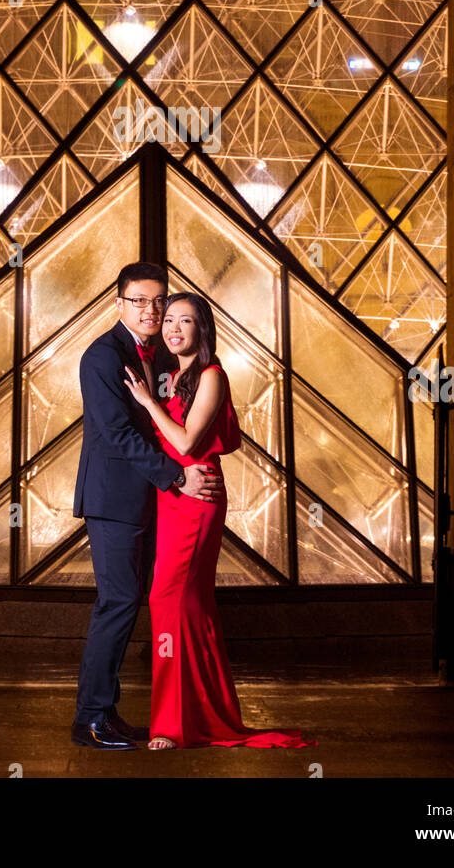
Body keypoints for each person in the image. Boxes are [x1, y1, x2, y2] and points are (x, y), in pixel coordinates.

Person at [124, 291, 316, 750]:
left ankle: (172, 724)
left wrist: (149, 403)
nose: (172, 328)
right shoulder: (174, 376)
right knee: (190, 606)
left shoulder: (211, 375)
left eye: (185, 321)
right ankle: (204, 714)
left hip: (196, 501)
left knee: (168, 598)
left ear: (201, 330)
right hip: (173, 495)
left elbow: (189, 443)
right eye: (168, 319)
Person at [71, 263, 224, 750]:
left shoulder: (157, 353)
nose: (153, 311)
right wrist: (178, 475)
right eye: (140, 301)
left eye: (159, 302)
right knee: (116, 604)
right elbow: (117, 434)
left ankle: (107, 713)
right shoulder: (103, 356)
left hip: (148, 499)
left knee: (127, 603)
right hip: (115, 501)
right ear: (119, 304)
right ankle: (90, 718)